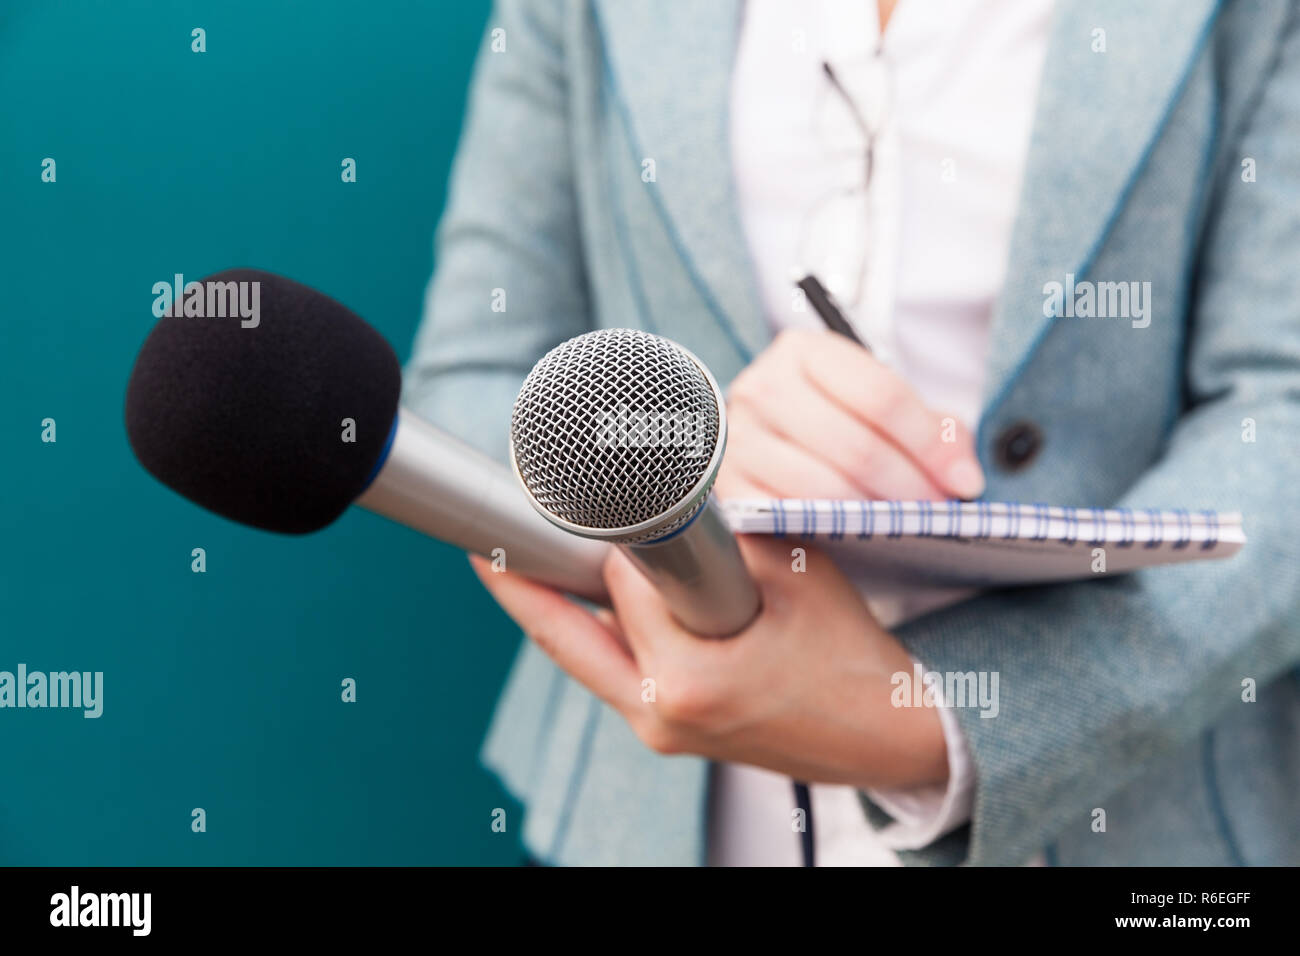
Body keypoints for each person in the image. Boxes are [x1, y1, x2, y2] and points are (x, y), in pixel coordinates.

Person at [404, 0, 1300, 865]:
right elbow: (475, 373)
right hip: (639, 819)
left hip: (1145, 820)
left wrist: (942, 723)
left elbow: (1280, 408)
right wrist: (669, 455)